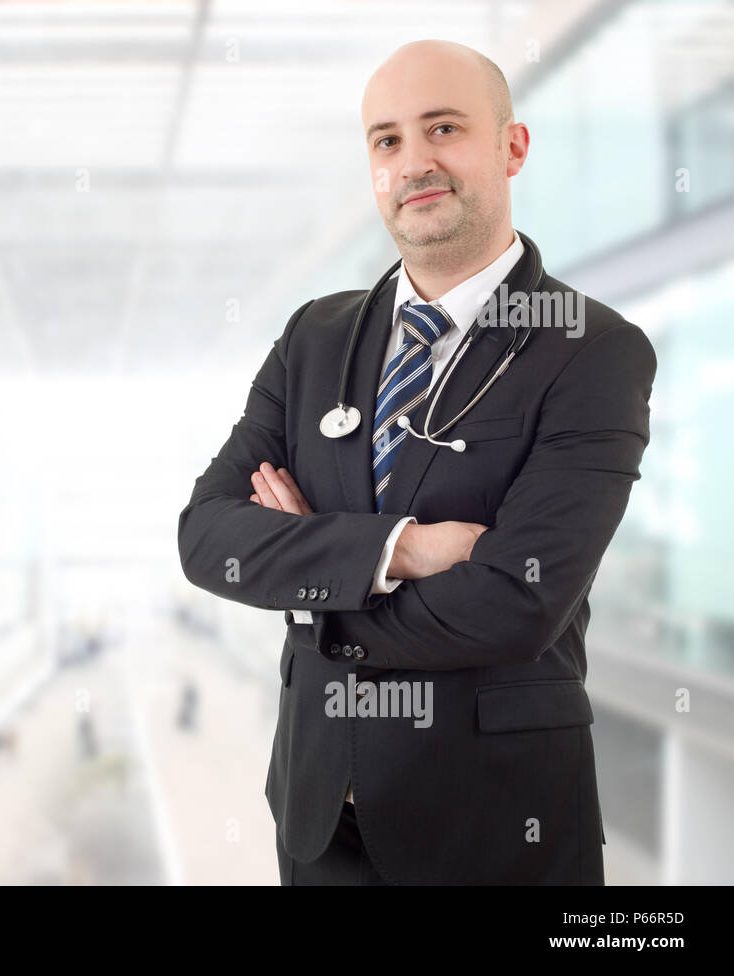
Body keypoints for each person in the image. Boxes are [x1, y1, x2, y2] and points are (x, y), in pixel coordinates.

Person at [176, 39, 656, 884]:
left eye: (443, 128)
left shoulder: (591, 350)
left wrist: (311, 598)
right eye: (387, 140)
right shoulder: (314, 337)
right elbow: (208, 536)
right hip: (319, 821)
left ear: (512, 147)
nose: (413, 163)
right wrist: (403, 551)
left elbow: (517, 603)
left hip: (496, 828)